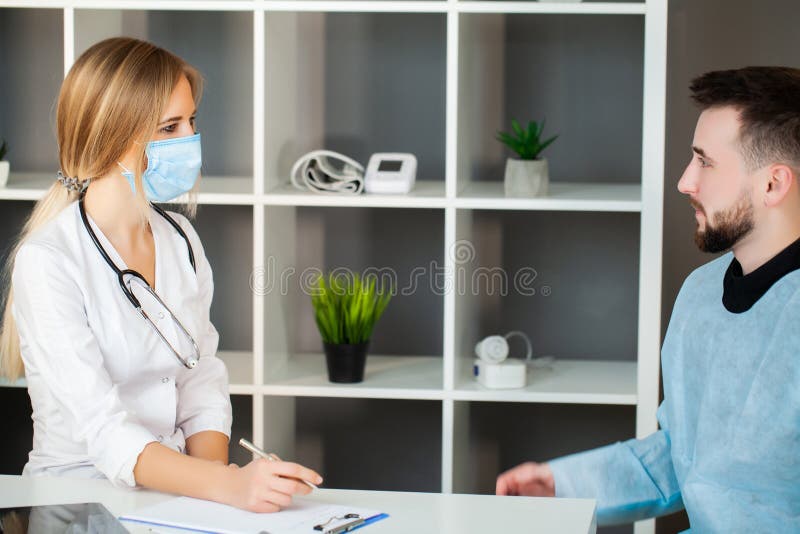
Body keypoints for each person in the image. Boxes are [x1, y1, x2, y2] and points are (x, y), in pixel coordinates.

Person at [0, 37, 322, 512]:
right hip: (75, 502)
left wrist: (214, 488)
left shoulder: (181, 239)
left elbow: (201, 377)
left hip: (173, 492)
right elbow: (103, 428)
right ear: (112, 136)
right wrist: (225, 486)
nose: (190, 140)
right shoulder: (48, 260)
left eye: (192, 122)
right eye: (170, 127)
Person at [496, 66, 800, 531]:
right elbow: (684, 455)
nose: (685, 181)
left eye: (705, 162)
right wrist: (563, 485)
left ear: (772, 184)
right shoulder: (701, 294)